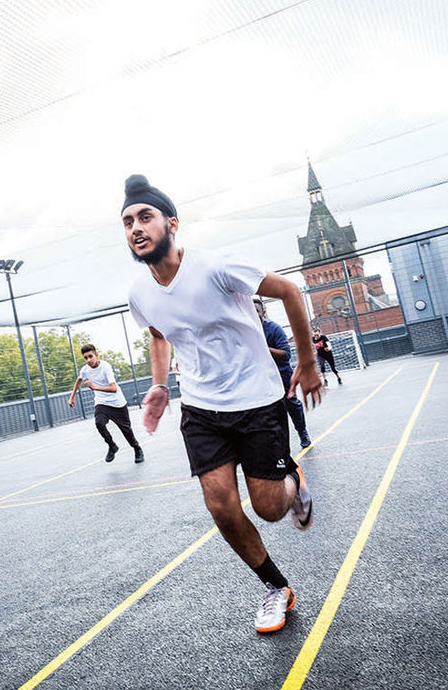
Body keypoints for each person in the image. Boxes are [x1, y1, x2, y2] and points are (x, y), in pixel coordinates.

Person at [121, 174, 322, 634]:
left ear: (172, 224)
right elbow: (158, 335)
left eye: (145, 217)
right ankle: (276, 588)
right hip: (201, 408)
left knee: (268, 507)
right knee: (221, 506)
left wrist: (308, 362)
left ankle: (293, 481)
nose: (136, 227)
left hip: (257, 400)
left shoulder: (216, 266)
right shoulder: (139, 292)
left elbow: (290, 291)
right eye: (128, 222)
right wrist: (159, 385)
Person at [68, 345, 145, 464]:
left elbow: (113, 388)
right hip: (102, 402)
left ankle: (137, 448)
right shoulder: (85, 370)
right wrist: (72, 397)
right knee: (99, 423)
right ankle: (112, 446)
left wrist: (94, 387)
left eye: (90, 356)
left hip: (117, 403)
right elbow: (79, 380)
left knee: (126, 430)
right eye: (86, 358)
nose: (88, 360)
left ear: (96, 355)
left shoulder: (105, 367)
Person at [254, 297, 312, 449]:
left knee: (291, 404)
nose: (253, 314)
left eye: (257, 311)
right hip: (260, 375)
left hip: (281, 373)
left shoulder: (274, 329)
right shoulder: (245, 331)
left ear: (263, 312)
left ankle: (302, 432)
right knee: (266, 410)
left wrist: (264, 349)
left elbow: (286, 354)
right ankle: (276, 444)